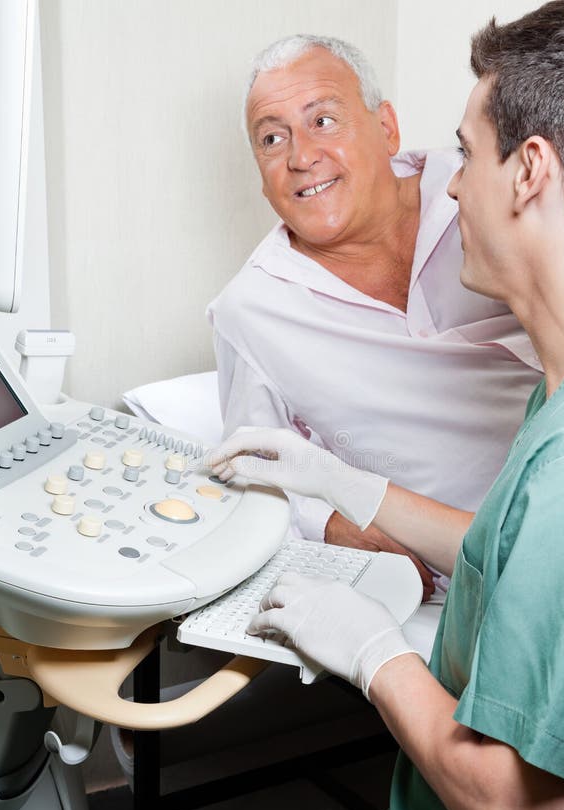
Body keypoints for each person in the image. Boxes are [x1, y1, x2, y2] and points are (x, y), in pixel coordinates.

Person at [122, 1, 564, 810]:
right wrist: (348, 494)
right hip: (471, 625)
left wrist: (375, 653)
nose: (449, 187)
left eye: (465, 155)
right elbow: (516, 544)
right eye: (271, 138)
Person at [206, 33, 543, 601]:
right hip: (443, 585)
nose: (300, 157)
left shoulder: (477, 192)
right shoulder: (252, 310)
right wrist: (332, 523)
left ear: (387, 128)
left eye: (323, 121)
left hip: (561, 516)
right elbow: (251, 472)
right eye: (271, 138)